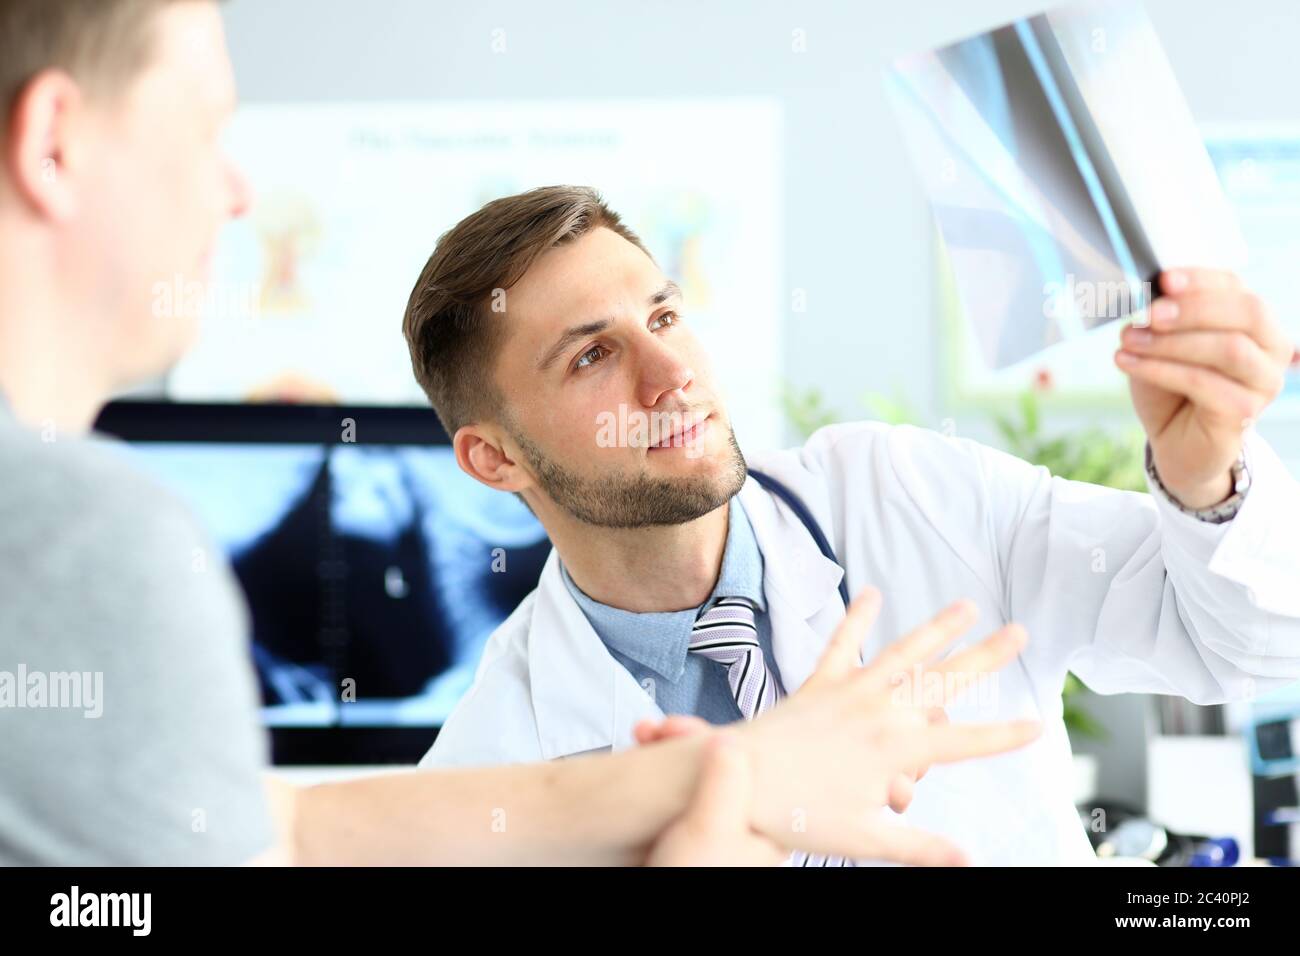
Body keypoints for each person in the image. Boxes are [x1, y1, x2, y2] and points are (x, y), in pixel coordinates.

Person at [0, 0, 1041, 867]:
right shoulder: (74, 536)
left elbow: (275, 831)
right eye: (206, 130)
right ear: (55, 142)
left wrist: (728, 768)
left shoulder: (890, 487)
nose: (236, 190)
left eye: (665, 315)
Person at [404, 184, 1300, 864]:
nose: (670, 371)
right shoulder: (489, 779)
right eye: (593, 353)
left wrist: (1204, 479)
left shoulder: (904, 492)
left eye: (665, 315)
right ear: (496, 460)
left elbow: (1243, 647)